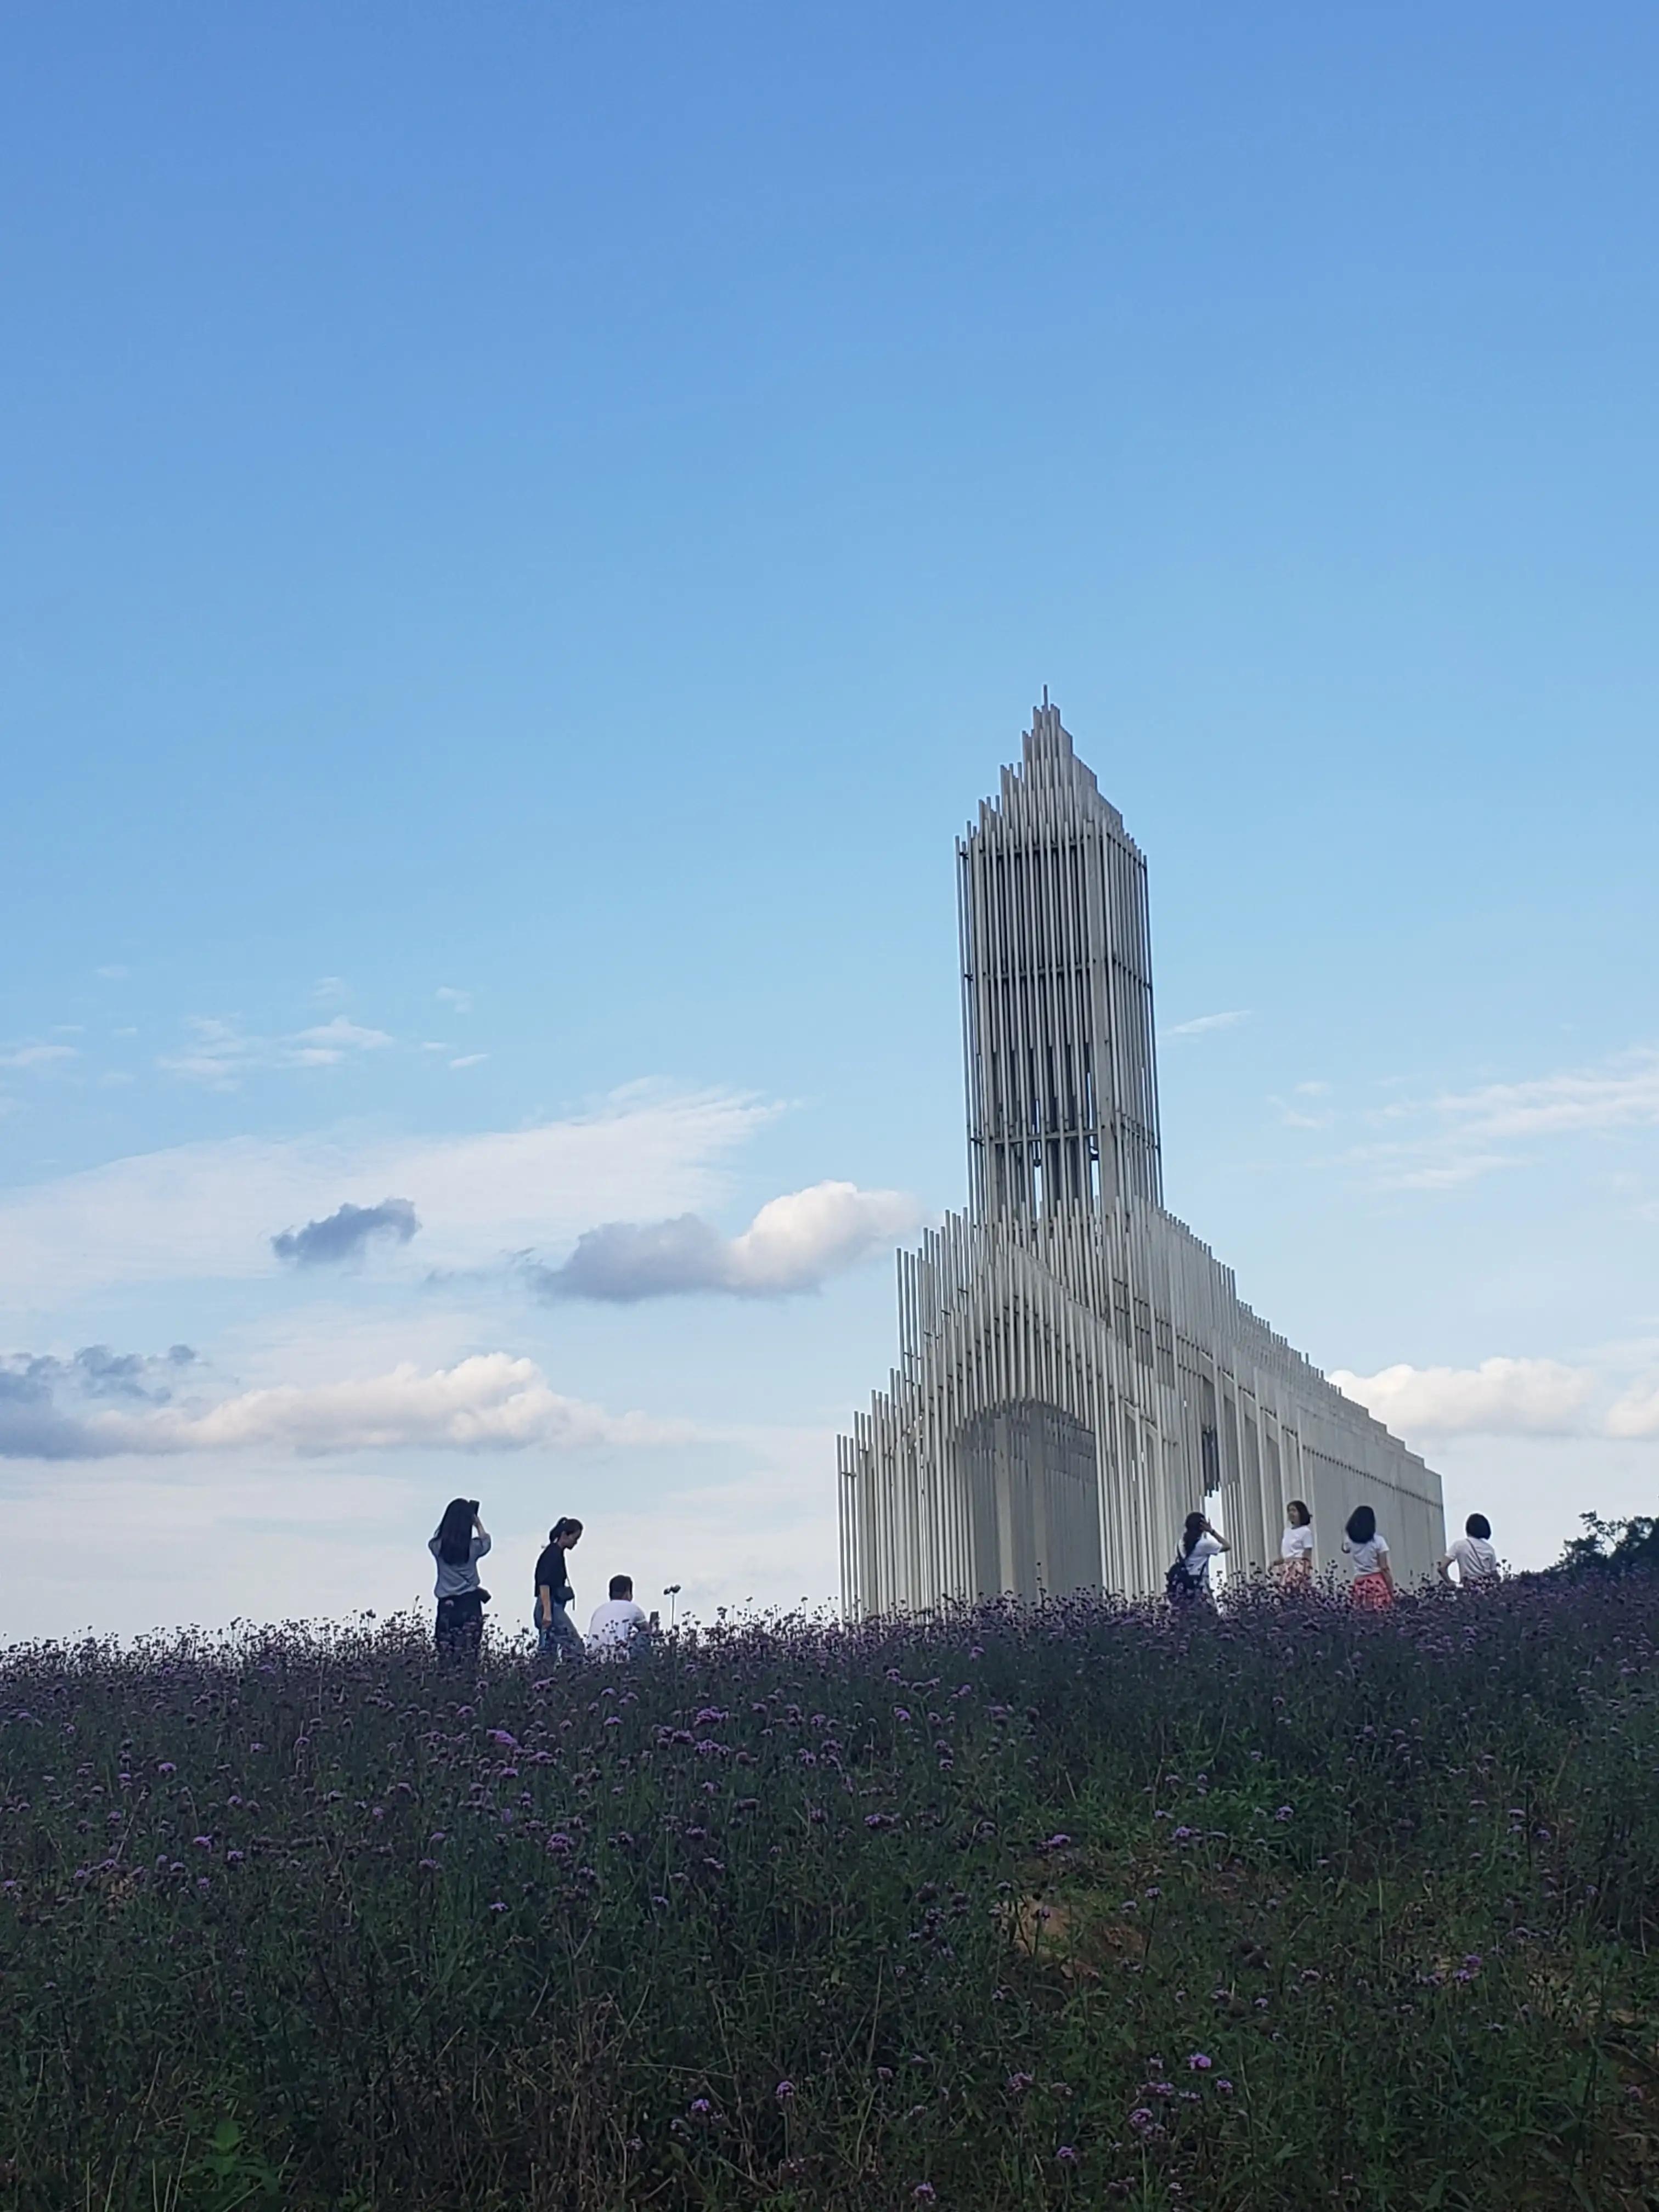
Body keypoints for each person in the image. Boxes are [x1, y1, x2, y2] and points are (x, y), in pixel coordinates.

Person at [430, 1498, 490, 1657]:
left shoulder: (436, 1546)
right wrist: (477, 1523)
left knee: (446, 1654)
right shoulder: (474, 1548)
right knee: (470, 1654)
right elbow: (486, 1542)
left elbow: (436, 1540)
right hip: (470, 1603)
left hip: (446, 1604)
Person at [533, 1517, 585, 1661]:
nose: (576, 1542)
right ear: (564, 1535)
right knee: (574, 1644)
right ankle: (574, 1675)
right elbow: (544, 1584)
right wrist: (548, 1613)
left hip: (548, 1605)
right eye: (575, 1538)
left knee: (549, 1651)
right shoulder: (553, 1554)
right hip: (550, 1605)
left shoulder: (553, 1553)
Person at [1167, 1510, 1228, 1603]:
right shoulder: (1203, 1545)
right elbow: (1227, 1546)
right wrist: (1211, 1531)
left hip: (1185, 1587)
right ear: (1202, 1526)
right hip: (1201, 1587)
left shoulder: (1180, 1543)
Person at [1342, 1504, 1394, 1609]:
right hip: (1377, 1582)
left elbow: (1345, 1549)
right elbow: (1384, 1568)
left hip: (1360, 1582)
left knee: (1362, 1614)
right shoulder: (1379, 1541)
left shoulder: (1350, 1541)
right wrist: (1391, 1589)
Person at [588, 1573, 651, 1656]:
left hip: (593, 1657)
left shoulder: (598, 1610)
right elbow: (647, 1631)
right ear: (628, 1593)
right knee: (644, 1637)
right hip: (618, 1656)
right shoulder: (633, 1608)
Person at [1438, 1513, 1499, 1587]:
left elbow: (1442, 1568)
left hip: (1468, 1590)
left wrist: (1451, 1583)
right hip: (1487, 1591)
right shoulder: (1489, 1549)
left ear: (1468, 1529)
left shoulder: (1459, 1545)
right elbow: (1494, 1574)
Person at [1278, 1499, 1315, 1584]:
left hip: (1298, 1567)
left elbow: (1307, 1554)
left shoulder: (1305, 1531)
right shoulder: (1287, 1531)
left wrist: (1306, 1572)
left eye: (1294, 1511)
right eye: (1289, 1511)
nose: (1291, 1513)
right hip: (1286, 1566)